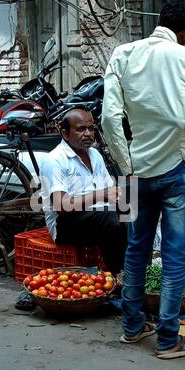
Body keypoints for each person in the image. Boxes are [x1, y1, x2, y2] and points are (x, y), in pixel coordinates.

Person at [101, 0, 185, 360]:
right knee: (174, 254)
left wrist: (125, 162)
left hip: (136, 168)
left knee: (135, 249)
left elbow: (108, 119)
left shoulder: (123, 54)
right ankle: (167, 339)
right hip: (177, 168)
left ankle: (132, 327)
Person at [39, 108, 128, 276]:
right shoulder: (54, 160)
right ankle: (118, 275)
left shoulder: (94, 155)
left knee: (133, 212)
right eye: (80, 129)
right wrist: (101, 195)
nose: (88, 133)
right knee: (108, 218)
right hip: (65, 225)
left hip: (96, 216)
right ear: (65, 133)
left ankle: (135, 272)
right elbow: (62, 207)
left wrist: (120, 198)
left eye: (91, 128)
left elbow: (110, 191)